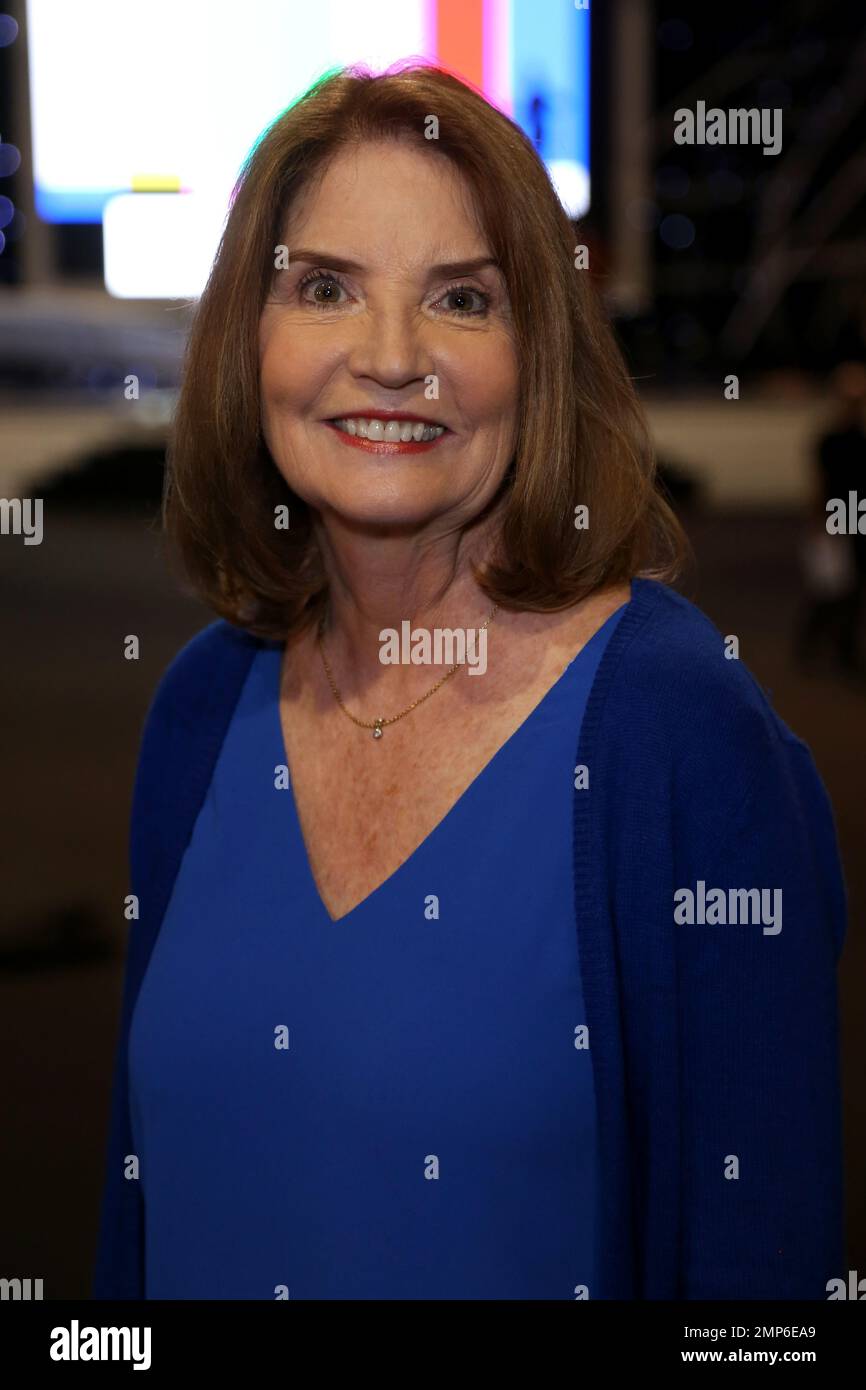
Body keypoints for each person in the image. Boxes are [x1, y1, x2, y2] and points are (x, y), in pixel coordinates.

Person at [92, 62, 846, 1301]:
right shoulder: (198, 707)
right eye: (326, 287)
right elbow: (136, 1218)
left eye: (460, 299)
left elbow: (754, 1275)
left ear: (535, 354)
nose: (391, 359)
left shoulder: (674, 727)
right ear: (250, 336)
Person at [797, 361, 866, 675]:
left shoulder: (852, 438)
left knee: (850, 586)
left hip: (856, 512)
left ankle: (841, 648)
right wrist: (819, 521)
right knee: (833, 586)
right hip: (839, 513)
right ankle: (816, 642)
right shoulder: (831, 440)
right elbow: (821, 484)